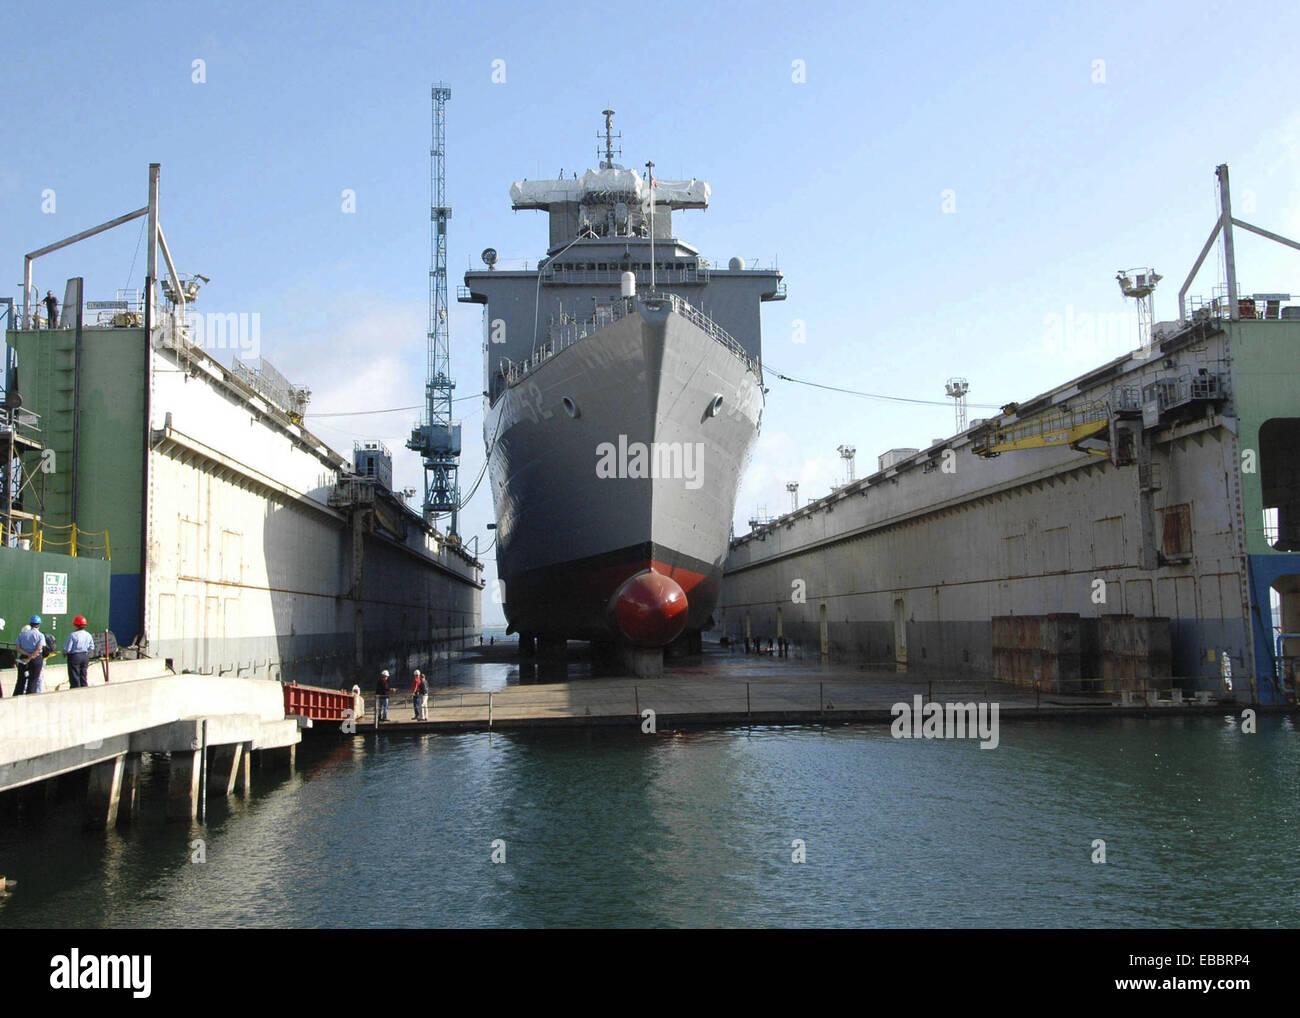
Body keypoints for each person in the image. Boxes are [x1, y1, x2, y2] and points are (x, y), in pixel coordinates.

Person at [14, 615, 46, 694]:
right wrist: (30, 657)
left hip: (23, 658)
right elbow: (39, 649)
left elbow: (17, 648)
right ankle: (30, 699)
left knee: (21, 680)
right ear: (38, 624)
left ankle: (16, 698)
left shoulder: (22, 634)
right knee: (33, 680)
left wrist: (27, 655)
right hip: (36, 659)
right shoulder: (40, 635)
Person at [63, 614, 94, 688]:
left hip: (75, 657)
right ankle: (84, 690)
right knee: (83, 674)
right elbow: (91, 647)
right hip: (85, 656)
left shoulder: (73, 635)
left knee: (74, 676)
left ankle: (75, 691)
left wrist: (64, 653)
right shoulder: (88, 635)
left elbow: (68, 649)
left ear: (76, 625)